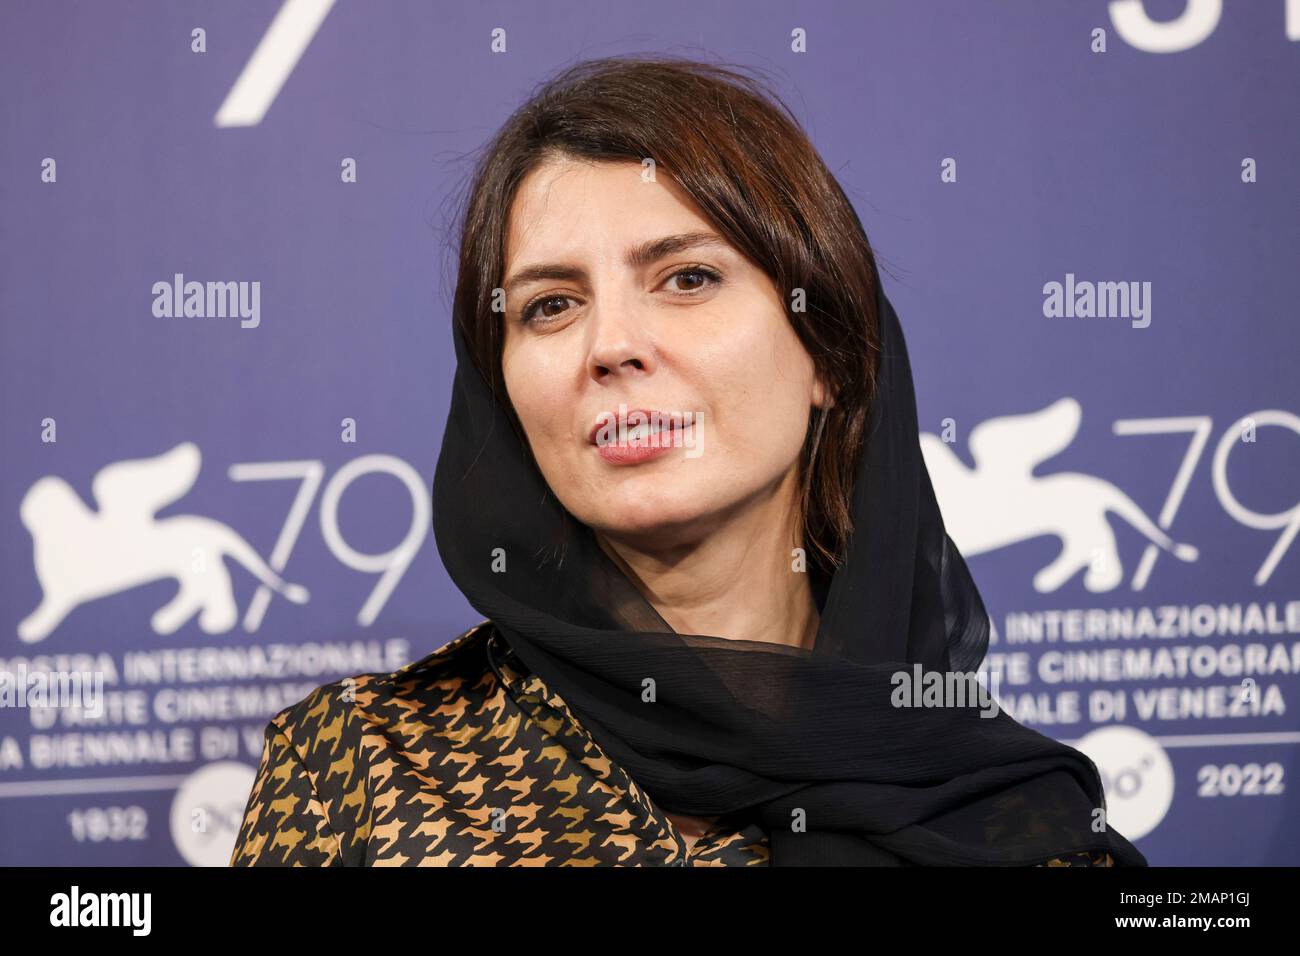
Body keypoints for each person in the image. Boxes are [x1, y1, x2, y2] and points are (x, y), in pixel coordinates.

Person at [230, 54, 1146, 867]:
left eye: (688, 278)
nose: (612, 344)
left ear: (827, 350)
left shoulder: (1024, 830)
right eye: (551, 304)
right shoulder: (366, 764)